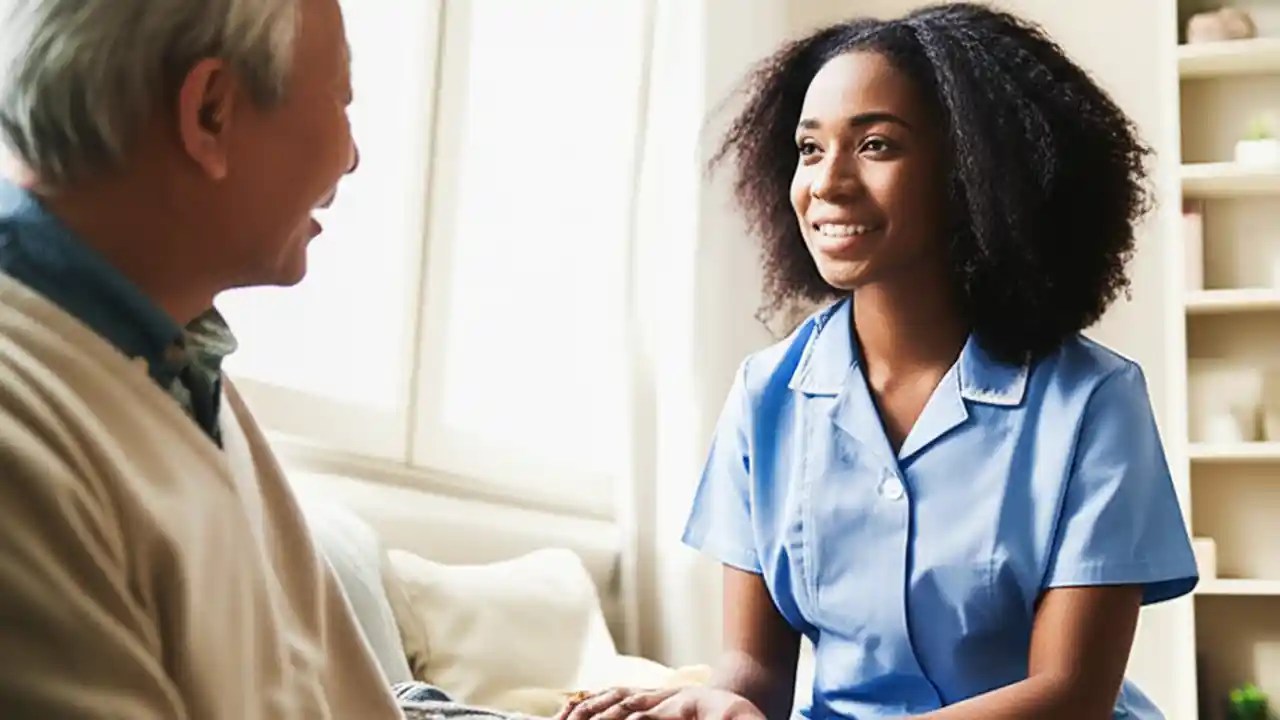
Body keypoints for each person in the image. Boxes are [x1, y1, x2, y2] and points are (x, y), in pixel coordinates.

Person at [562, 4, 1197, 720]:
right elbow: (754, 670)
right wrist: (710, 704)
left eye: (876, 145)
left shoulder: (1093, 402)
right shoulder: (765, 396)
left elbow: (1069, 696)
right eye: (809, 149)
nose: (827, 182)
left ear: (971, 171)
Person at [0, 1, 404, 717]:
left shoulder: (181, 366)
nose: (351, 154)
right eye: (341, 99)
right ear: (210, 113)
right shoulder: (23, 439)